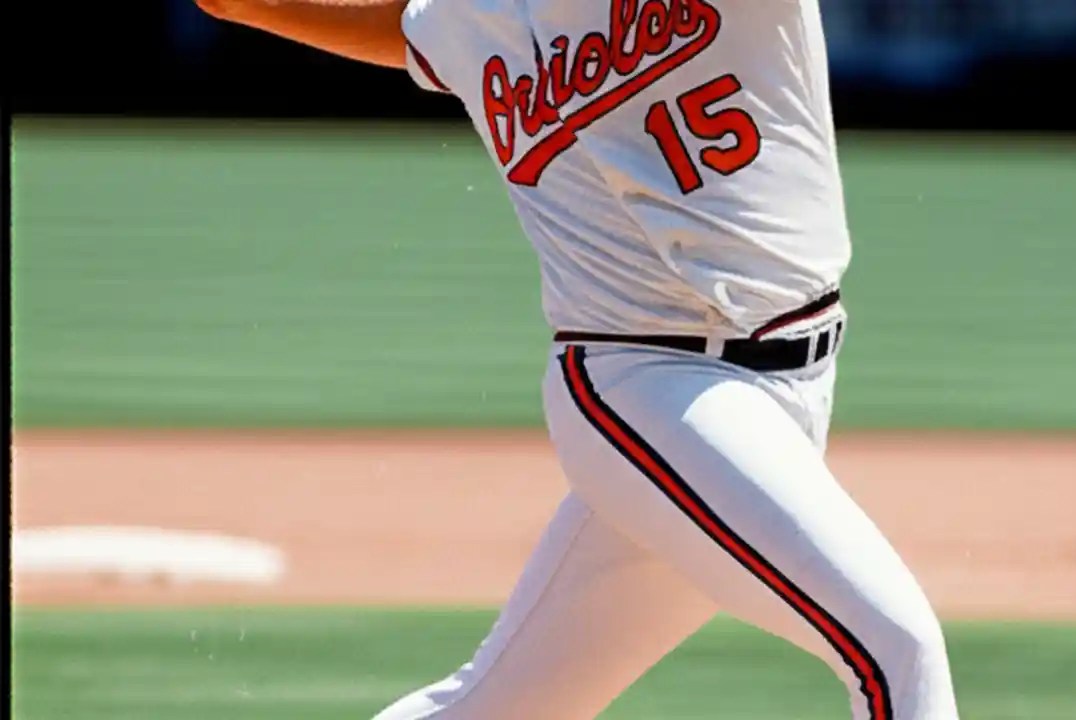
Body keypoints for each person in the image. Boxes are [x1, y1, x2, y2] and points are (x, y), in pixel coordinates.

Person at [196, 0, 963, 717]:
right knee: (896, 649)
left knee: (493, 706)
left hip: (771, 395)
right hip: (648, 390)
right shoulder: (477, 15)